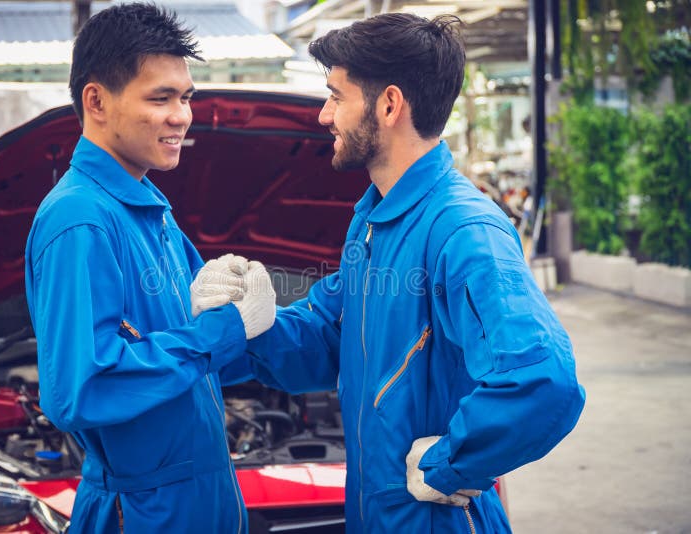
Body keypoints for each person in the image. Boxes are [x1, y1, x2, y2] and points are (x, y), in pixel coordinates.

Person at [192, 13, 585, 533]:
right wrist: (248, 325)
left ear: (390, 104)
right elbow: (329, 336)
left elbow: (544, 379)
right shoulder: (375, 223)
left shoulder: (463, 230)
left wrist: (447, 462)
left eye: (336, 96)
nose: (324, 115)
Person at [24, 4, 276, 532]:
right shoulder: (80, 220)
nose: (181, 115)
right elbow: (83, 389)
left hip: (195, 500)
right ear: (96, 101)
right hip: (141, 513)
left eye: (185, 97)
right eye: (160, 98)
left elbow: (210, 347)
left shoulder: (146, 208)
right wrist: (221, 329)